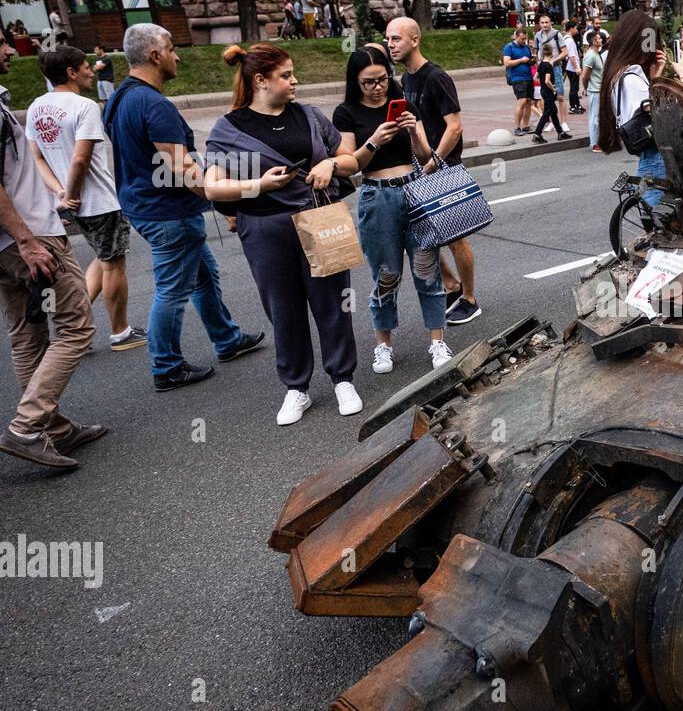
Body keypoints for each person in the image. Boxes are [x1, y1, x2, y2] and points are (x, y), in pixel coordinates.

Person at [201, 45, 363, 424]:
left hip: (317, 217)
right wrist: (258, 185)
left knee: (333, 303)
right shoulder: (229, 127)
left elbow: (351, 159)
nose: (295, 81)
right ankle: (297, 388)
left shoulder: (308, 115)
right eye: (286, 75)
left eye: (293, 74)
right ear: (260, 81)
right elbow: (212, 188)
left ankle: (343, 378)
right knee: (282, 309)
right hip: (264, 228)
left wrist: (330, 162)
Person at [102, 23, 264, 391]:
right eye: (172, 48)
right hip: (169, 214)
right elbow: (182, 167)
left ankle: (227, 339)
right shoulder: (153, 103)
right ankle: (166, 366)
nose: (177, 56)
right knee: (172, 290)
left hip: (144, 207)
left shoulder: (118, 98)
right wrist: (222, 199)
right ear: (155, 55)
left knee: (203, 276)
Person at [0, 41, 101, 469]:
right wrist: (26, 239)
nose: (8, 49)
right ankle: (27, 427)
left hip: (9, 243)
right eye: (0, 42)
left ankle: (52, 429)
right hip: (29, 237)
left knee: (27, 332)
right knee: (77, 327)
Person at [328, 45, 454, 381]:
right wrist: (373, 141)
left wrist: (413, 130)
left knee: (427, 271)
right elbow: (349, 165)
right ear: (355, 81)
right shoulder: (345, 113)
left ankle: (438, 341)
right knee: (386, 274)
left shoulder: (404, 105)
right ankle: (383, 343)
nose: (377, 87)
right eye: (368, 82)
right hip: (377, 197)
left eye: (382, 79)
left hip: (414, 190)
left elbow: (426, 154)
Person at [27, 45, 146, 353]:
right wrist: (74, 192)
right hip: (98, 201)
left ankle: (76, 325)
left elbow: (37, 157)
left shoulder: (36, 107)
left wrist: (60, 193)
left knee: (101, 259)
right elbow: (81, 159)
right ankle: (120, 331)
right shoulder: (84, 106)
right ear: (71, 72)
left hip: (70, 202)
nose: (91, 71)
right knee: (113, 264)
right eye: (86, 67)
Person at [386, 17, 481, 326]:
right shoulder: (406, 80)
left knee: (456, 238)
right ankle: (452, 286)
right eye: (388, 39)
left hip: (445, 165)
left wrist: (435, 161)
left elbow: (455, 127)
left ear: (415, 40)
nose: (391, 44)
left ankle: (469, 299)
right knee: (422, 236)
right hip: (424, 166)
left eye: (397, 38)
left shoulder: (436, 77)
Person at [597, 11, 669, 205]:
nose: (652, 48)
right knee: (662, 226)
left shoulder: (619, 74)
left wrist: (653, 77)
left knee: (658, 222)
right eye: (649, 41)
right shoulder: (632, 80)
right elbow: (660, 116)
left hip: (648, 158)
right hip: (657, 158)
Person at [532, 15, 568, 133]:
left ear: (550, 23)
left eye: (547, 22)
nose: (545, 25)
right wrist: (538, 69)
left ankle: (563, 122)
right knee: (547, 97)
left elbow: (564, 52)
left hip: (556, 67)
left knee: (560, 96)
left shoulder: (557, 35)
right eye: (542, 22)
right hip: (544, 67)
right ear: (539, 23)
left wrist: (554, 61)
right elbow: (536, 53)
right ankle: (553, 122)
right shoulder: (538, 36)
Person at [532, 41, 572, 144]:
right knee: (547, 113)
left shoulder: (540, 64)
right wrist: (553, 89)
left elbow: (535, 77)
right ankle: (537, 134)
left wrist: (543, 84)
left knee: (553, 111)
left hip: (543, 91)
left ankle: (560, 132)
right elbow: (547, 80)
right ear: (552, 53)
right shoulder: (549, 66)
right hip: (549, 91)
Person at [503, 25, 533, 136]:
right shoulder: (509, 47)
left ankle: (526, 126)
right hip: (517, 78)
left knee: (529, 101)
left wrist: (532, 60)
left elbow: (529, 60)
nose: (524, 41)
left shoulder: (526, 47)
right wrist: (521, 60)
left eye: (525, 38)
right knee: (522, 101)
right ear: (516, 36)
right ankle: (517, 127)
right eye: (522, 39)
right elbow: (507, 62)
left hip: (528, 76)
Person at [580, 29, 607, 150]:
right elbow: (585, 75)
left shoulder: (596, 54)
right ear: (594, 41)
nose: (601, 39)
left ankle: (600, 140)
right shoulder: (590, 55)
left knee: (599, 117)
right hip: (595, 90)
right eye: (599, 38)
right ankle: (594, 143)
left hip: (599, 89)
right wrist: (585, 88)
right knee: (594, 117)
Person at [563, 20, 583, 115]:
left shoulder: (567, 39)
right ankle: (573, 106)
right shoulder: (569, 40)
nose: (576, 30)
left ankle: (577, 104)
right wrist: (576, 68)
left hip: (571, 66)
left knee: (575, 86)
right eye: (575, 28)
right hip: (571, 67)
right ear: (571, 29)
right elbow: (571, 56)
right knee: (574, 87)